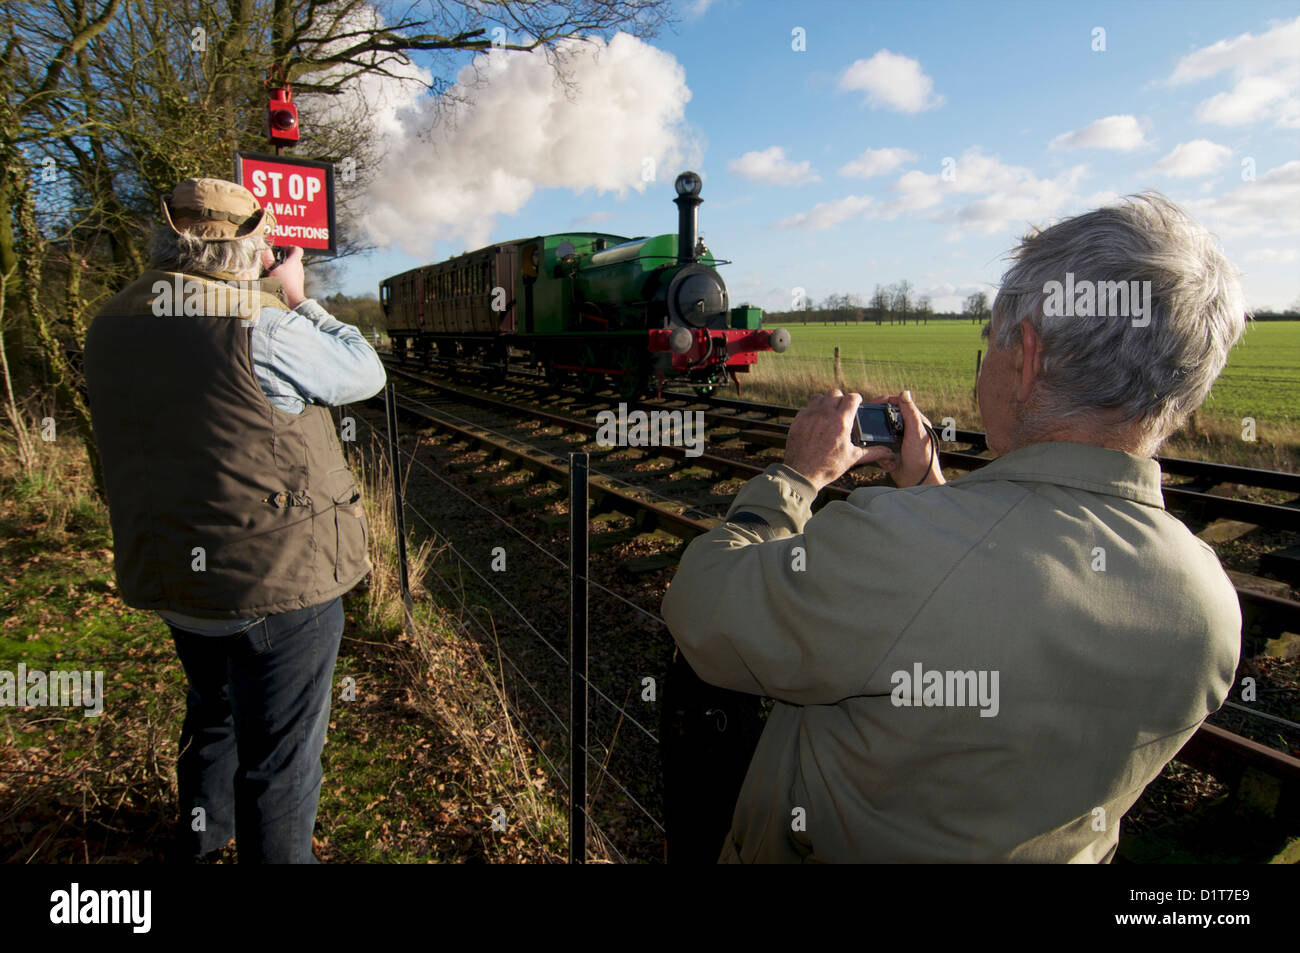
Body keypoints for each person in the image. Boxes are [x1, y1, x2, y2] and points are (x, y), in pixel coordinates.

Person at [661, 192, 1247, 863]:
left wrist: (794, 480)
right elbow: (998, 596)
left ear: (1026, 358)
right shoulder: (1208, 605)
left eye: (989, 340)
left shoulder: (897, 550)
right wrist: (932, 495)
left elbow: (701, 604)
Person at [83, 177, 387, 863]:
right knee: (280, 760)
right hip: (279, 585)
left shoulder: (107, 325)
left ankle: (200, 840)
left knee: (212, 714)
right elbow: (365, 371)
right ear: (245, 247)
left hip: (175, 580)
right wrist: (302, 296)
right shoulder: (262, 326)